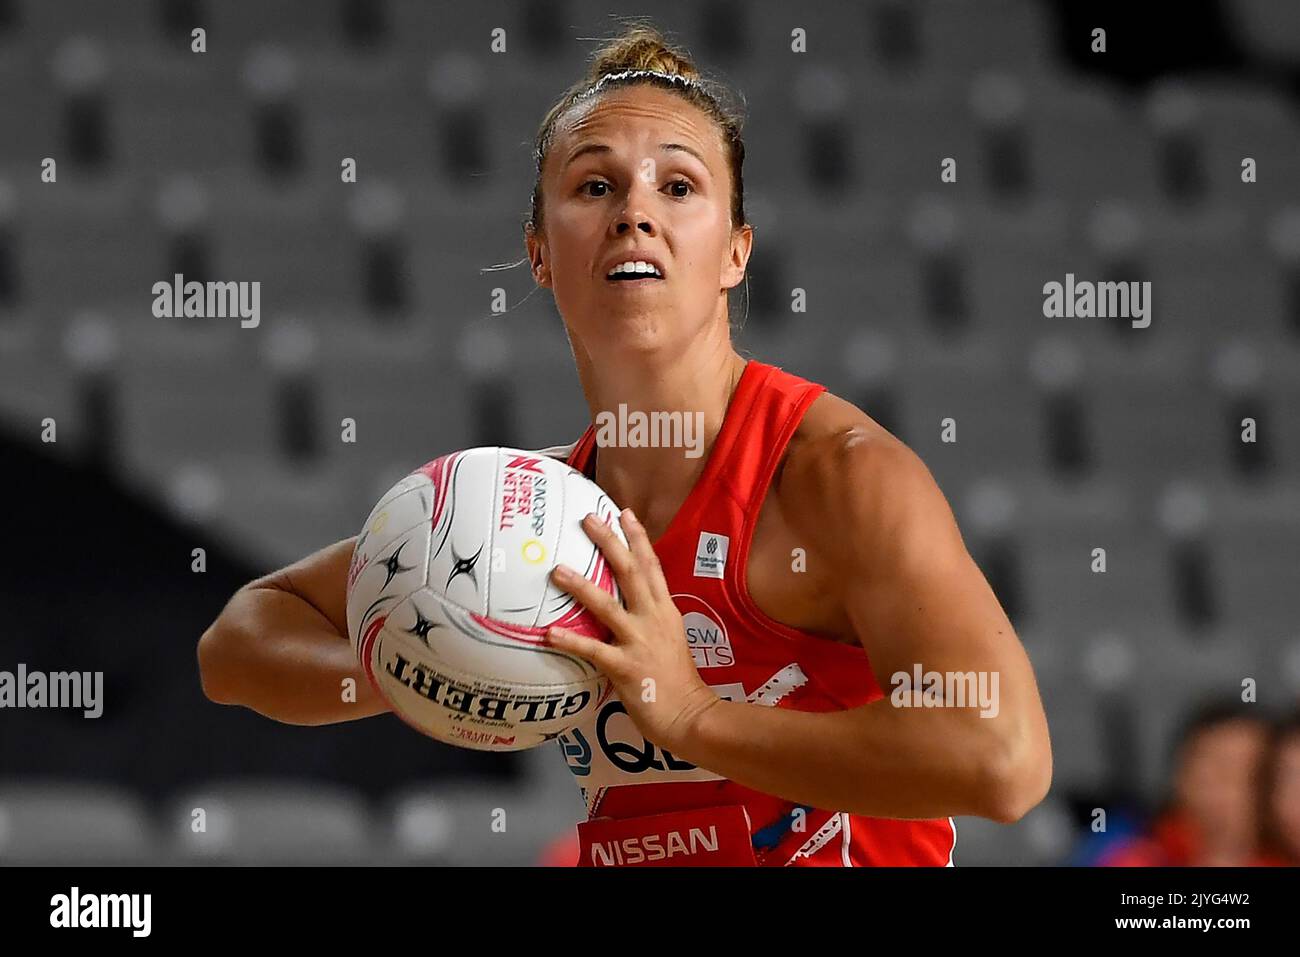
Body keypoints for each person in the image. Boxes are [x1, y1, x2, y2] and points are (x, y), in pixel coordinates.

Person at [198, 22, 1051, 866]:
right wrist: (430, 659)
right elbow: (235, 645)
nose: (636, 211)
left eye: (678, 187)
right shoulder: (537, 514)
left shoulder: (835, 474)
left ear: (735, 252)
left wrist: (689, 716)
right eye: (595, 186)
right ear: (539, 251)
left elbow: (1002, 759)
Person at [1099, 702, 1273, 866]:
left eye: (1253, 774)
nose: (1233, 789)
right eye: (1217, 771)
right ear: (1180, 779)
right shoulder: (1136, 857)